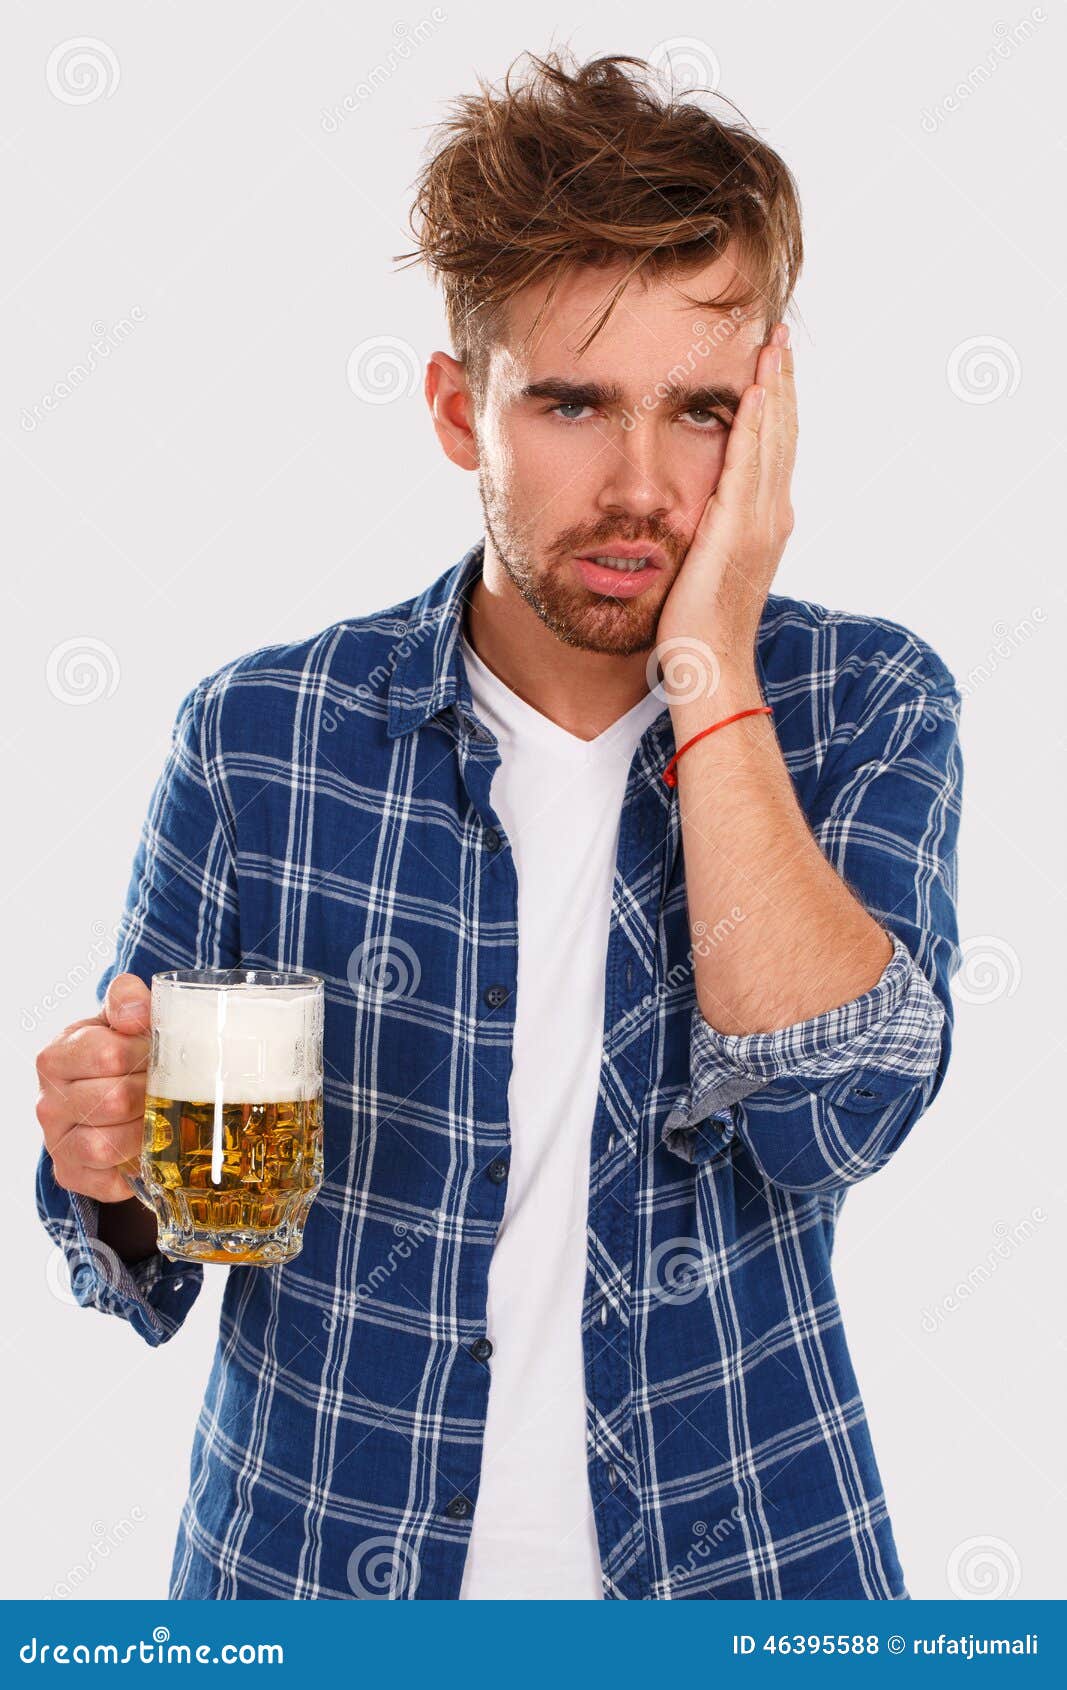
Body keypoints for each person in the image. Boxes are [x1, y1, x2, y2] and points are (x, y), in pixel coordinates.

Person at [34, 49, 962, 1601]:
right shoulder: (262, 735)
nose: (645, 484)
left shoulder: (865, 701)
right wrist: (104, 1162)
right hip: (316, 1596)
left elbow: (833, 1115)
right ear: (464, 412)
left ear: (771, 422)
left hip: (750, 1595)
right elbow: (148, 1254)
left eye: (704, 412)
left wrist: (711, 663)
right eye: (576, 403)